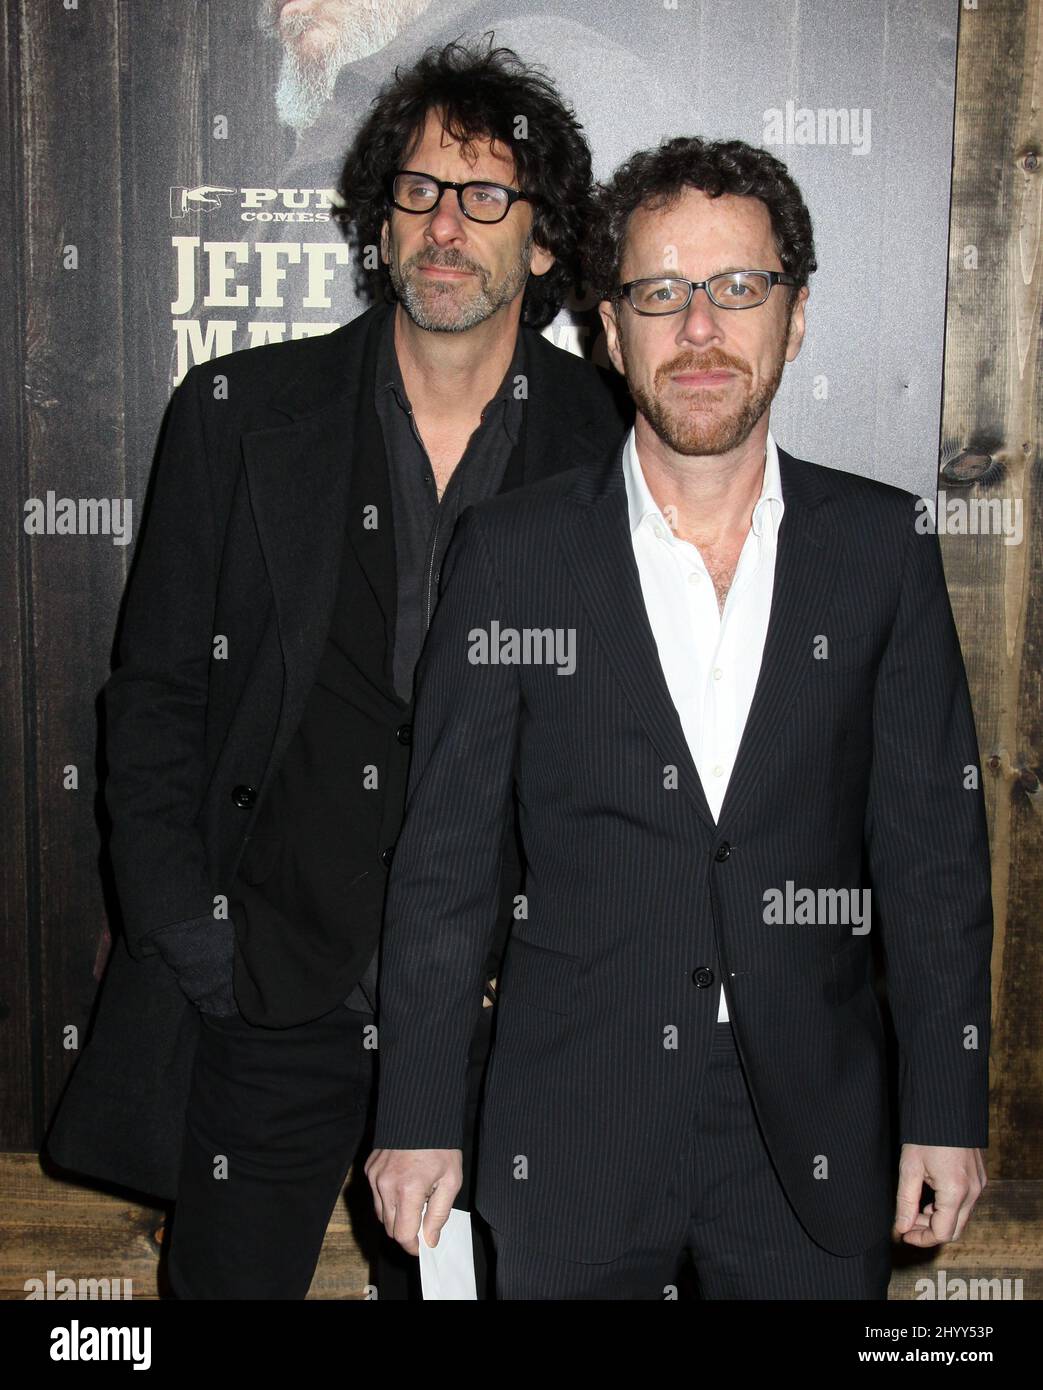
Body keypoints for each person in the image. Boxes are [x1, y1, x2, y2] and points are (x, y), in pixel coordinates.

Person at [44, 39, 630, 1300]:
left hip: (504, 1020)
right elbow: (152, 703)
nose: (443, 225)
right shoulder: (234, 414)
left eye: (486, 198)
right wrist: (196, 941)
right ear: (377, 223)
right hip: (270, 996)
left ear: (543, 243)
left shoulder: (611, 444)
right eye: (416, 192)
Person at [367, 136, 993, 1299]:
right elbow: (444, 858)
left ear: (793, 317)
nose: (698, 331)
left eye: (736, 289)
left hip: (812, 1129)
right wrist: (415, 1109)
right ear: (608, 331)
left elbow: (931, 861)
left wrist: (945, 1105)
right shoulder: (512, 556)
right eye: (658, 294)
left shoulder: (878, 549)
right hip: (568, 1123)